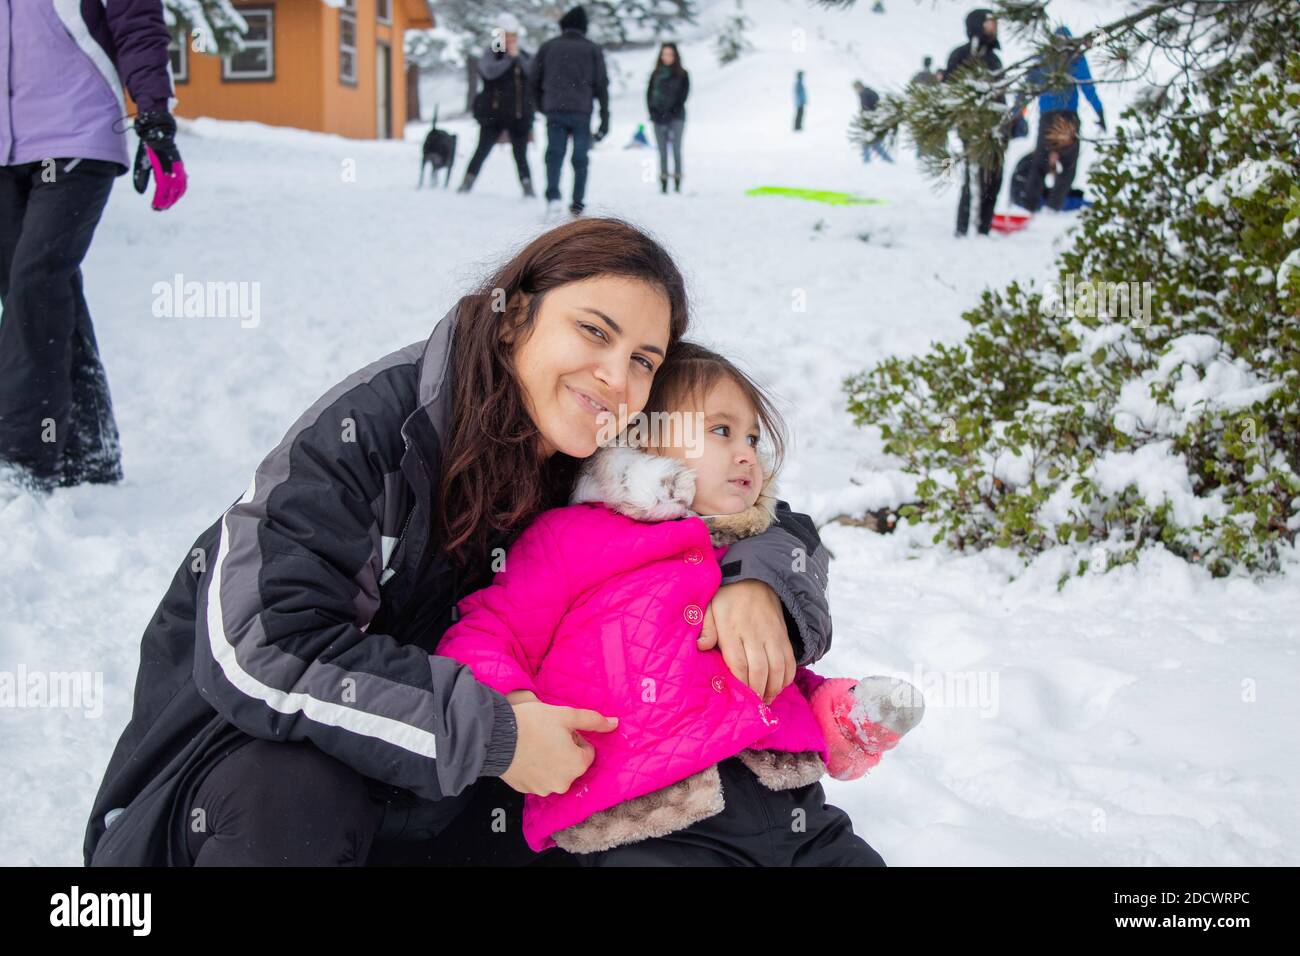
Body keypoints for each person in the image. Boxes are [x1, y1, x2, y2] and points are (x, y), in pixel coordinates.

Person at [82, 217, 839, 867]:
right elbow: (264, 645)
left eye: (642, 361)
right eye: (592, 331)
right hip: (229, 784)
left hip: (440, 795)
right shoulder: (377, 429)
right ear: (514, 318)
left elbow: (755, 508)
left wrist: (756, 582)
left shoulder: (591, 455)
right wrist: (496, 734)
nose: (615, 377)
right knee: (301, 791)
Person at [438, 342, 925, 864]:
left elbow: (760, 662)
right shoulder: (570, 538)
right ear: (643, 438)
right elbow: (489, 631)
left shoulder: (742, 557)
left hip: (789, 807)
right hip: (646, 821)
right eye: (722, 431)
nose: (746, 453)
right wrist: (512, 713)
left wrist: (833, 709)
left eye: (752, 438)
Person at [0, 0, 187, 494]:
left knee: (35, 279)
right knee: (38, 290)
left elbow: (137, 23)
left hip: (78, 131)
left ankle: (21, 455)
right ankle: (89, 450)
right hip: (4, 147)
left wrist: (154, 118)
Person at [531, 5, 609, 218]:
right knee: (580, 158)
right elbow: (602, 85)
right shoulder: (592, 49)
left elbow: (534, 80)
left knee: (554, 153)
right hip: (582, 111)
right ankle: (577, 203)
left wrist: (542, 105)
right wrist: (605, 119)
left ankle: (553, 197)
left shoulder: (548, 47)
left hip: (554, 108)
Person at [1023, 26, 1105, 213]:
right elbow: (1088, 87)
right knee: (1068, 165)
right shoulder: (1074, 57)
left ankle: (1030, 204)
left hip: (1048, 117)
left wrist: (1017, 114)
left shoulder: (1044, 58)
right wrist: (1100, 112)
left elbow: (1027, 87)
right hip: (1068, 117)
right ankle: (1053, 206)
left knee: (1040, 162)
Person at [458, 13, 535, 197]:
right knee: (482, 149)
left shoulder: (523, 56)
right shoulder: (492, 54)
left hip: (519, 114)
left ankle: (527, 186)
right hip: (493, 113)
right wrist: (508, 59)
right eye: (507, 35)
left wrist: (516, 58)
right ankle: (468, 181)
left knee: (521, 155)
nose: (510, 40)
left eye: (513, 35)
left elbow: (532, 74)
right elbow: (489, 72)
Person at [945, 8, 1006, 237]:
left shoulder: (994, 59)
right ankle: (963, 229)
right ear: (977, 25)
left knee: (994, 178)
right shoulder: (961, 55)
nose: (994, 28)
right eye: (989, 24)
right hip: (970, 128)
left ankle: (984, 228)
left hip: (995, 130)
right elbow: (950, 90)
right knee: (972, 178)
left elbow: (1001, 96)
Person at [647, 42, 690, 194]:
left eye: (670, 54)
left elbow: (683, 97)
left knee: (676, 150)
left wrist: (671, 112)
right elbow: (649, 95)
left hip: (676, 117)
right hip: (658, 117)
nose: (667, 57)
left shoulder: (682, 74)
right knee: (662, 152)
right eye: (664, 54)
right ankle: (663, 181)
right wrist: (654, 113)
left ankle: (677, 181)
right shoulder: (656, 74)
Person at [853, 80, 893, 163]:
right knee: (874, 144)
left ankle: (866, 163)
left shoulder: (864, 94)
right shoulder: (870, 92)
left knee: (869, 142)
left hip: (871, 121)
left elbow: (867, 108)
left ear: (859, 87)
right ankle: (888, 161)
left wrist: (865, 116)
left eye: (856, 88)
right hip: (876, 120)